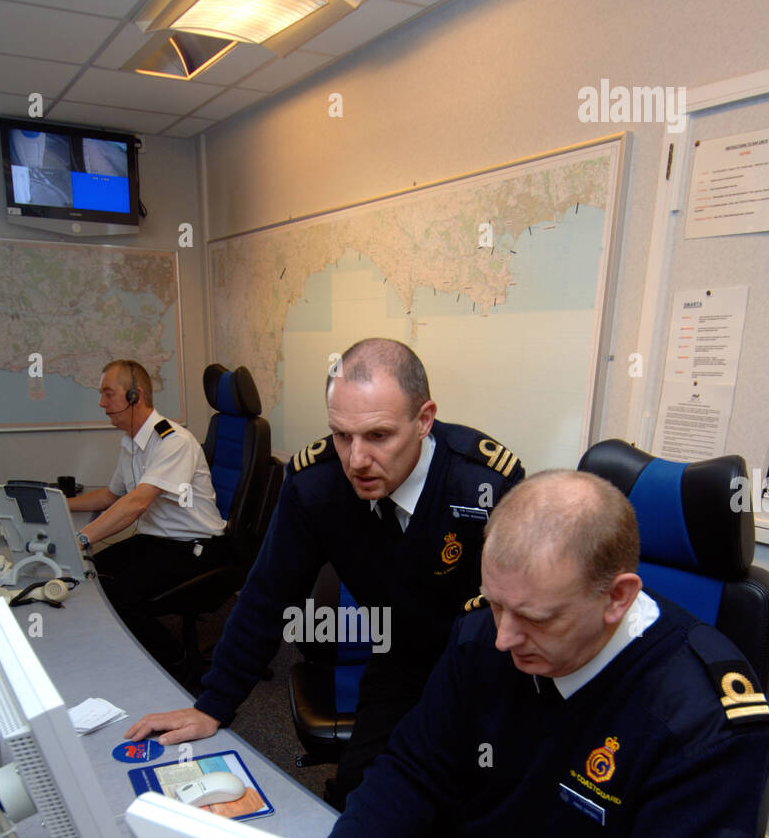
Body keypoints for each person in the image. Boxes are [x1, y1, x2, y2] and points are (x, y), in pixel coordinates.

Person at [321, 470, 769, 838]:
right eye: (495, 604)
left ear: (618, 597)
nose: (504, 637)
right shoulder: (485, 637)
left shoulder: (703, 720)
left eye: (533, 618)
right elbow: (415, 768)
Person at [125, 338, 524, 807]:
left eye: (378, 436)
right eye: (342, 435)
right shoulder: (315, 482)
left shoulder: (483, 483)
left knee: (484, 809)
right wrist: (212, 705)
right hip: (400, 659)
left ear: (424, 419)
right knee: (358, 796)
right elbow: (266, 597)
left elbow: (524, 614)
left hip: (487, 667)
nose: (356, 459)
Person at [69, 359, 226, 674]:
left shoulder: (173, 441)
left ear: (134, 397)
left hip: (194, 549)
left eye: (108, 394)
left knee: (114, 594)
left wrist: (81, 538)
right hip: (156, 541)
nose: (102, 403)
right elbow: (111, 495)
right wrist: (60, 503)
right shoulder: (131, 441)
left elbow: (137, 503)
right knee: (90, 574)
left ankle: (176, 668)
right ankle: (133, 657)